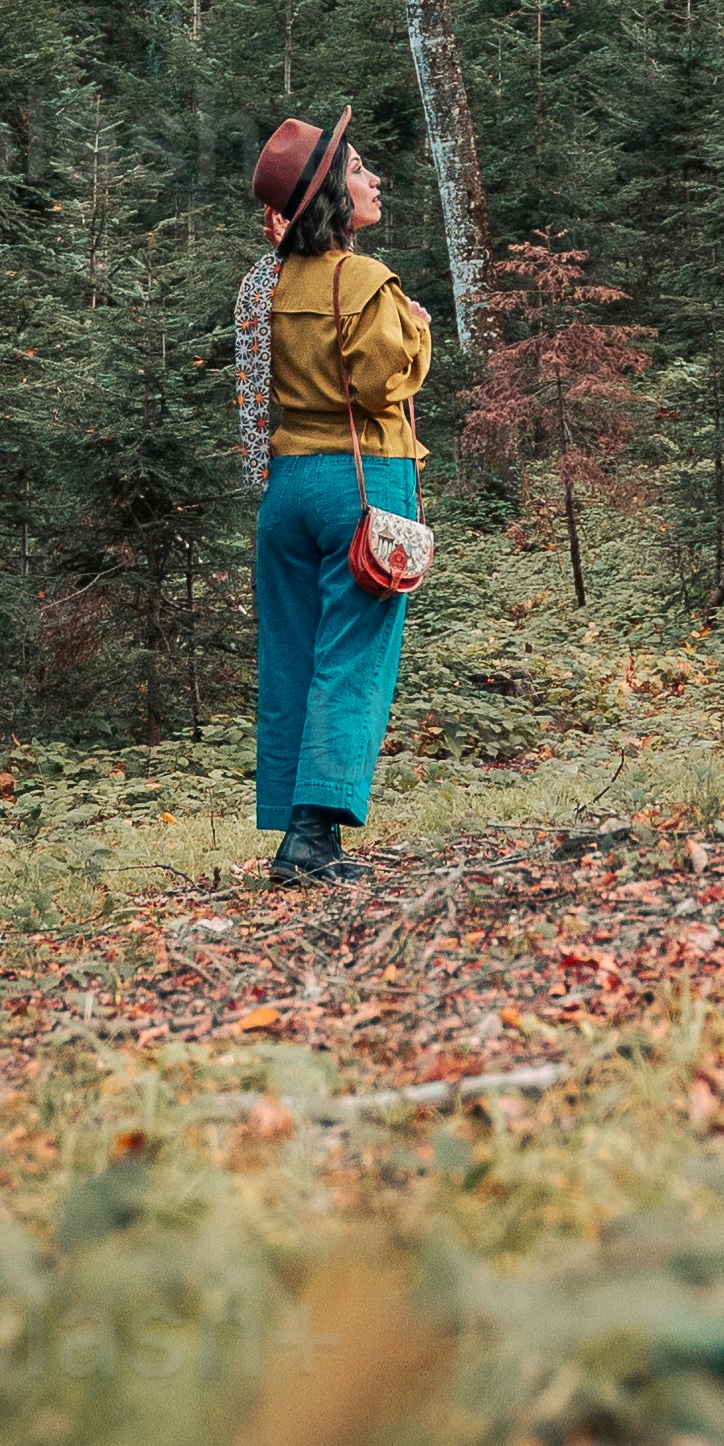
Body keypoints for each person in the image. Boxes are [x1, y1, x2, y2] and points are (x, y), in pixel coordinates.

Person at [245, 106, 431, 885]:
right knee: (351, 659)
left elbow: (258, 390)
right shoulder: (363, 280)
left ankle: (295, 830)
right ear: (329, 195)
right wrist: (416, 328)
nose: (373, 179)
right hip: (362, 483)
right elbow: (384, 383)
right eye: (357, 170)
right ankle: (312, 844)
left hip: (287, 489)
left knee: (292, 661)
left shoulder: (266, 282)